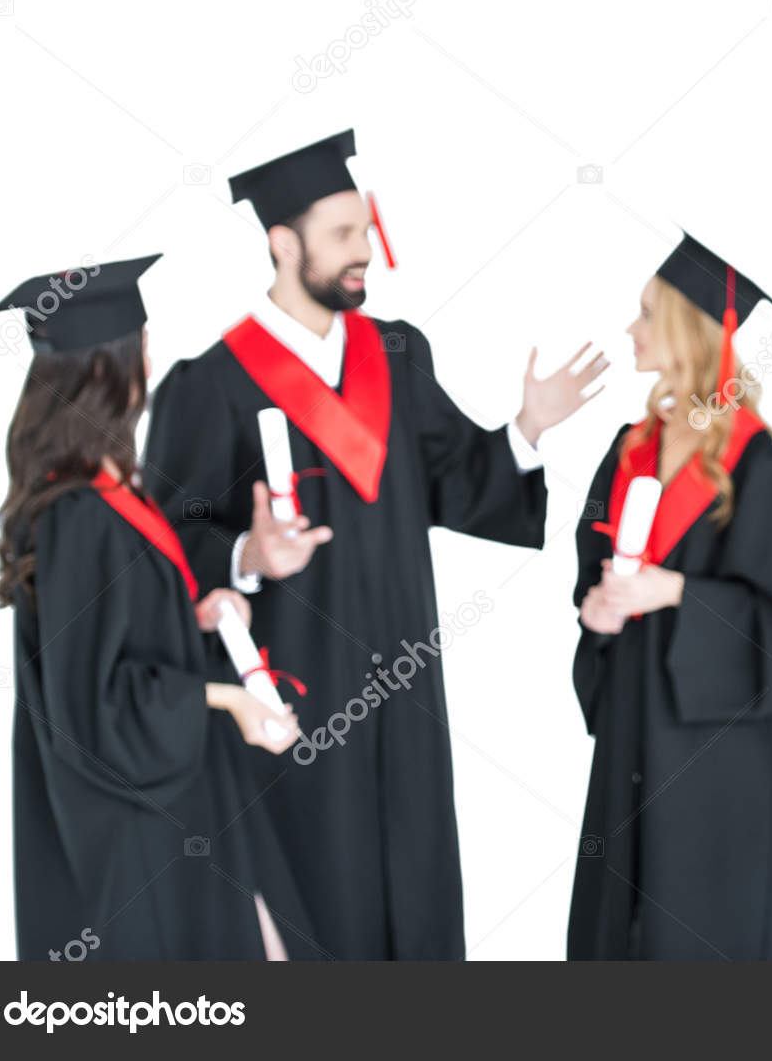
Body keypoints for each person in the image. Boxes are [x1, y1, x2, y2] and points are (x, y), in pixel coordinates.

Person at [142, 130, 606, 959]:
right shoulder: (210, 384)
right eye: (343, 234)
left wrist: (527, 429)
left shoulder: (396, 352)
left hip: (404, 688)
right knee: (322, 902)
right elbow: (163, 541)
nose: (365, 251)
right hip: (295, 701)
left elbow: (455, 479)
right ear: (284, 244)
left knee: (416, 892)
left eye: (365, 229)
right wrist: (246, 554)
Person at [0, 253, 321, 961]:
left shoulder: (109, 493)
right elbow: (95, 706)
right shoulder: (78, 515)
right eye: (142, 344)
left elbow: (118, 642)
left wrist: (189, 618)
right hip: (134, 829)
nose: (151, 357)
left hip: (176, 801)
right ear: (114, 372)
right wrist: (227, 699)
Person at [569, 231, 772, 959]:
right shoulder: (629, 449)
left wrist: (674, 589)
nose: (631, 329)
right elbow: (591, 569)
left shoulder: (756, 467)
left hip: (715, 759)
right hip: (632, 728)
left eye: (648, 314)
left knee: (693, 936)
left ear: (686, 329)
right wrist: (595, 610)